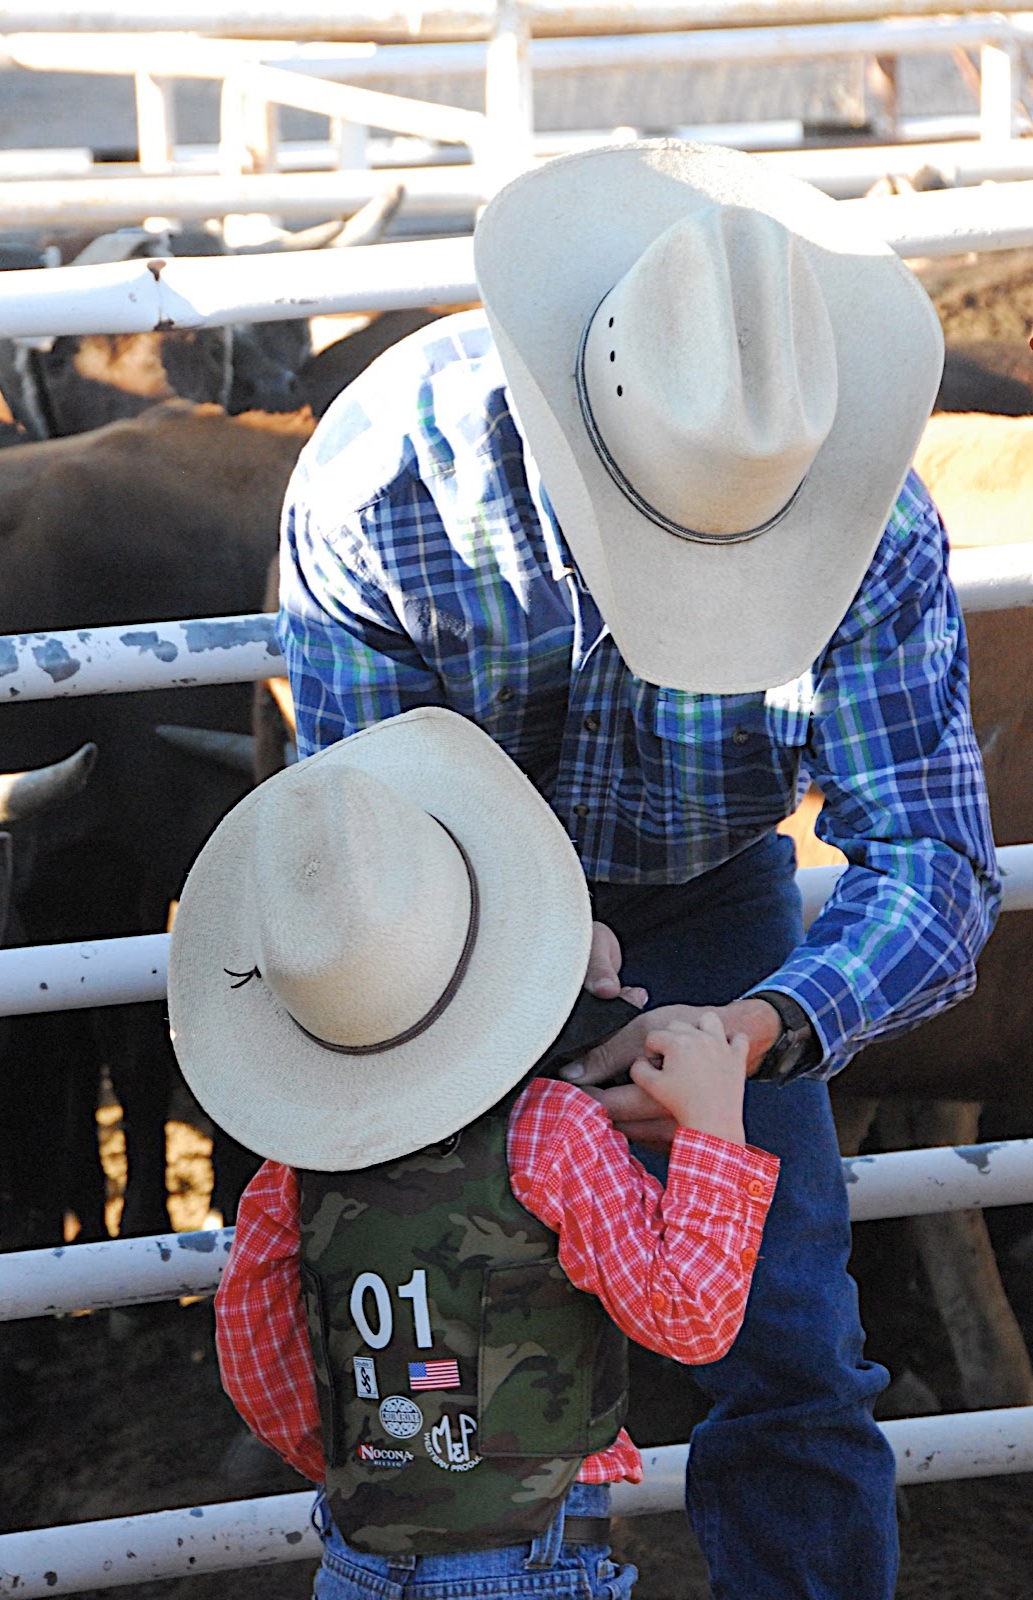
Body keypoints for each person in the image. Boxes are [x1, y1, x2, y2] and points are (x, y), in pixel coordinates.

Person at [276, 141, 1001, 1598]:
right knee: (457, 1333)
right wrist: (527, 986)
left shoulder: (872, 528)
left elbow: (934, 857)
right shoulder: (379, 489)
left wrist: (757, 1027)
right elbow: (366, 836)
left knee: (788, 1343)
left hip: (709, 891)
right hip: (435, 918)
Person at [166, 705, 780, 1599]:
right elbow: (689, 1320)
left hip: (357, 1559)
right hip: (535, 1558)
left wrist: (381, 1467)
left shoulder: (287, 1180)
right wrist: (715, 1128)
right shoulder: (553, 1133)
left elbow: (259, 1365)